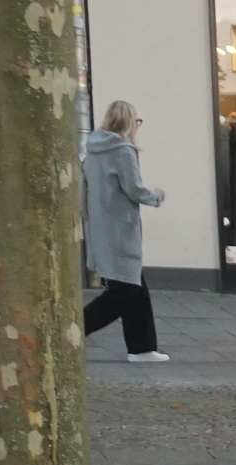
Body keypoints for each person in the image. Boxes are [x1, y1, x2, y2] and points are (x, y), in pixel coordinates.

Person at [81, 101, 168, 362]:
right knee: (125, 290)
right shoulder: (123, 150)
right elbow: (134, 189)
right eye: (137, 121)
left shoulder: (93, 148)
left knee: (135, 286)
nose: (138, 126)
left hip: (100, 224)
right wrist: (156, 196)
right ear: (129, 122)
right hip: (120, 227)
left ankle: (143, 348)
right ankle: (75, 329)